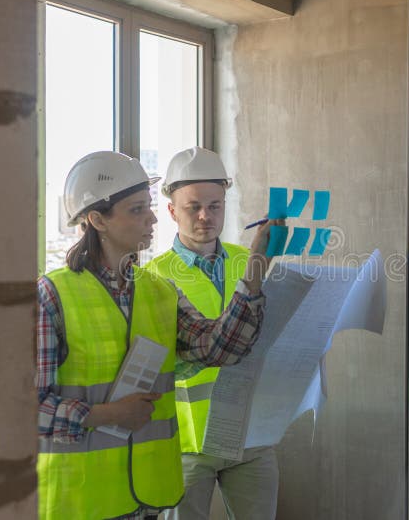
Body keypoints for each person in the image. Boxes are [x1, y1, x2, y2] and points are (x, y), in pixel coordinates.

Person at [36, 151, 282, 520]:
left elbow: (218, 349)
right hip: (79, 501)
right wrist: (106, 414)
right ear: (97, 220)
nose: (152, 218)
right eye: (137, 210)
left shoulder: (160, 292)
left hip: (143, 499)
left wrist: (256, 270)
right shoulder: (52, 295)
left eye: (149, 207)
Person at [144, 147, 278, 520]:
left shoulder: (250, 261)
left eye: (215, 206)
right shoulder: (155, 277)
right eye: (193, 207)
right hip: (188, 442)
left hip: (251, 433)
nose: (206, 216)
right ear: (172, 211)